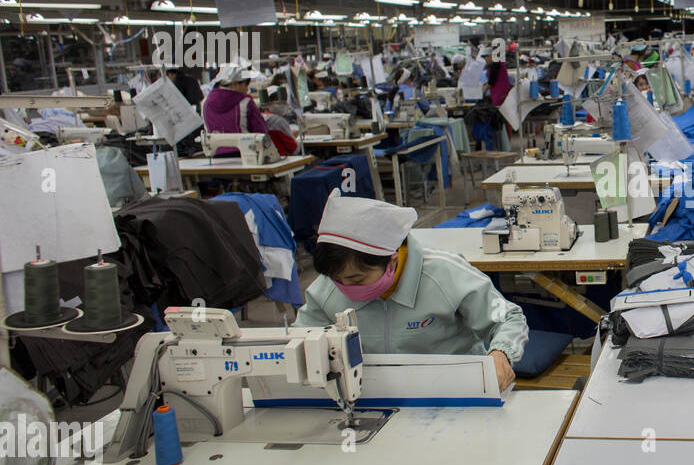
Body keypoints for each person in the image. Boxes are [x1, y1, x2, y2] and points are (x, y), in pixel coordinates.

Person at [296, 191, 529, 391]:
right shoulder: (328, 287)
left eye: (357, 279)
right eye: (337, 280)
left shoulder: (444, 273)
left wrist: (501, 353)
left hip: (456, 389)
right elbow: (300, 340)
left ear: (391, 260)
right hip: (372, 392)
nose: (346, 288)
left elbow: (508, 318)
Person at [201, 64, 270, 152]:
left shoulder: (205, 103)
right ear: (235, 84)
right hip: (247, 156)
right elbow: (261, 133)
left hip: (216, 158)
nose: (247, 89)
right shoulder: (246, 103)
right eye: (245, 85)